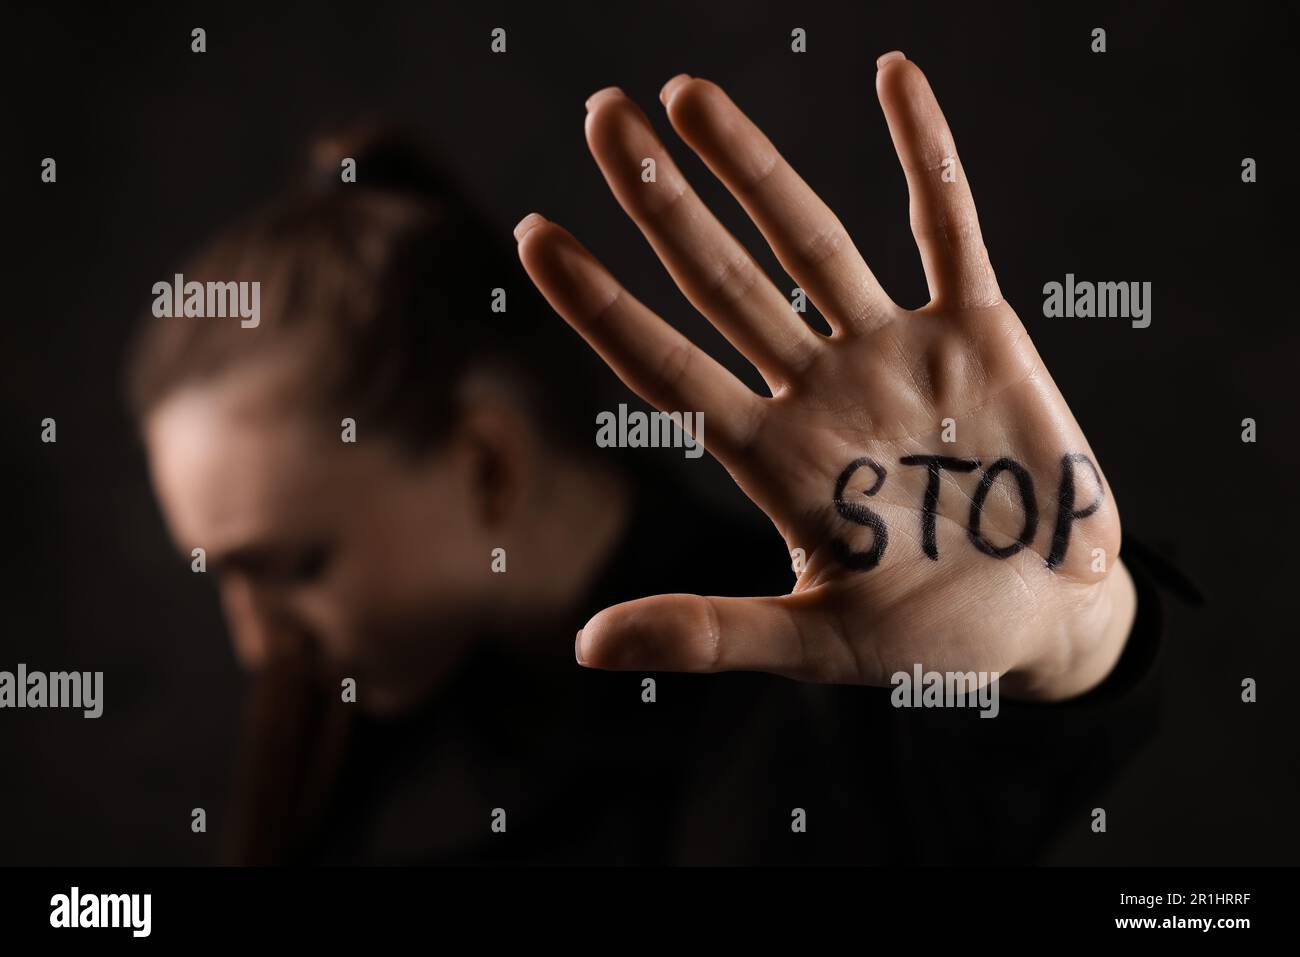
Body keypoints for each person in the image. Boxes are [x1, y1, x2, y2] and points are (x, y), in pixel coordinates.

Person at [126, 53, 1171, 865]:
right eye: (223, 577)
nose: (256, 644)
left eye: (292, 566)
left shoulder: (830, 667)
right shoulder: (336, 756)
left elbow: (990, 767)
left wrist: (1078, 631)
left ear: (489, 464)